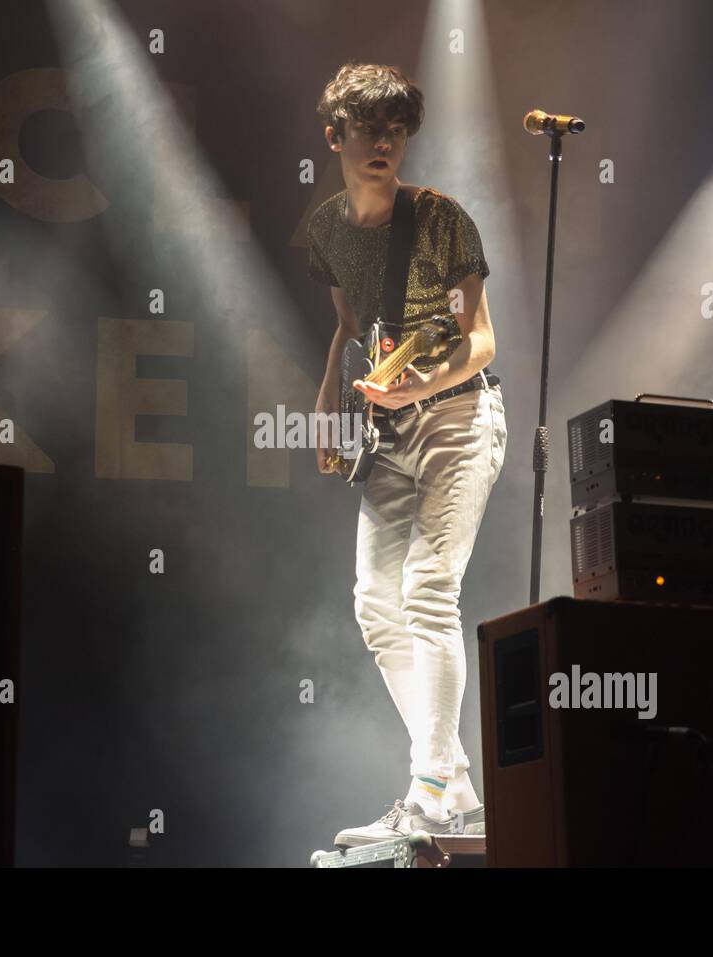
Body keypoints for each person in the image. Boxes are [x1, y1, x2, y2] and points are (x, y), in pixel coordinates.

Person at [307, 62, 508, 847]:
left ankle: (428, 787)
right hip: (389, 429)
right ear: (336, 137)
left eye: (396, 128)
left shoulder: (442, 218)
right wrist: (328, 390)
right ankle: (450, 780)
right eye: (368, 127)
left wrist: (434, 372)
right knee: (372, 604)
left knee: (427, 589)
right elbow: (350, 323)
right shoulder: (327, 230)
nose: (385, 141)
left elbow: (482, 334)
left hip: (459, 414)